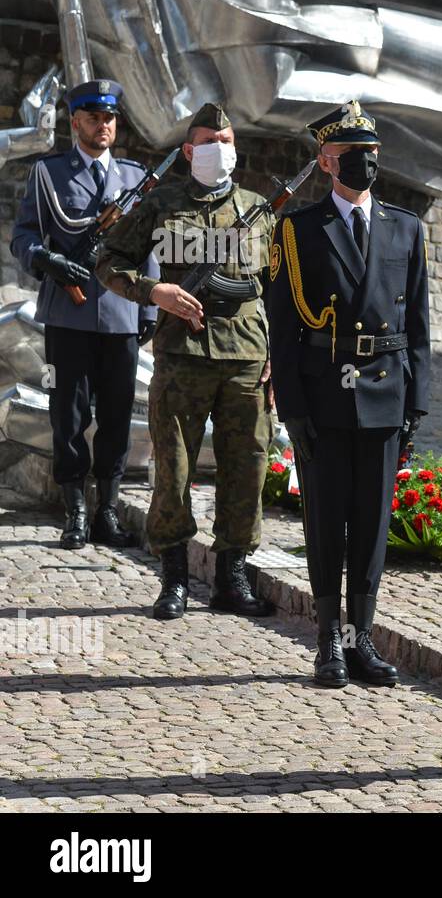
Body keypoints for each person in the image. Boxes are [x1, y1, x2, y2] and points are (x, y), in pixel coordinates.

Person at [266, 100, 431, 688]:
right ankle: (327, 640)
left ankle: (364, 638)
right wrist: (294, 410)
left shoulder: (406, 227)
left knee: (370, 525)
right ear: (327, 161)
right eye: (357, 157)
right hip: (324, 396)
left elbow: (419, 328)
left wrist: (417, 404)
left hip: (386, 397)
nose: (368, 165)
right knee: (325, 524)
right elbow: (283, 330)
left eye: (374, 155)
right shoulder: (298, 229)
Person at [97, 103, 274, 620]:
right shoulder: (162, 203)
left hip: (246, 355)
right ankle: (173, 577)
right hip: (182, 354)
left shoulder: (261, 209)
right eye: (210, 140)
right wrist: (156, 291)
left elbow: (284, 289)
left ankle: (231, 577)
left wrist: (280, 353)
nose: (221, 148)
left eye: (228, 139)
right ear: (190, 150)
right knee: (173, 470)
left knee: (248, 468)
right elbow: (109, 260)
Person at [9, 79, 157, 550]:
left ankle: (106, 511)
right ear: (75, 123)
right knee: (67, 415)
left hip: (121, 314)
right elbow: (24, 235)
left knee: (116, 414)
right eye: (94, 118)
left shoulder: (134, 178)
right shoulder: (49, 174)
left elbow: (146, 244)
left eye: (110, 118)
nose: (104, 126)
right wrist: (44, 260)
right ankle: (74, 510)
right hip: (68, 316)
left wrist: (149, 302)